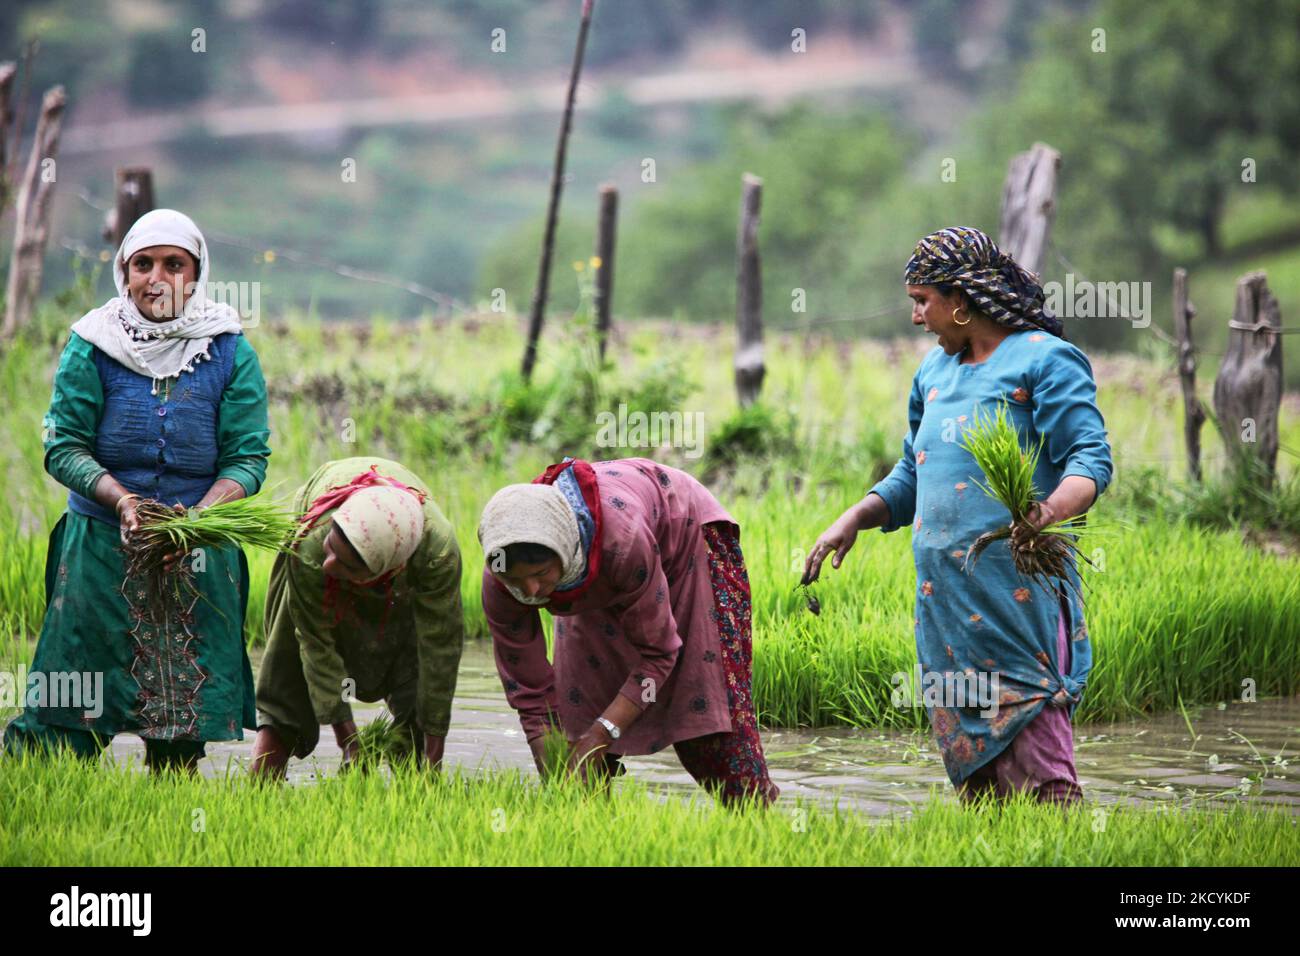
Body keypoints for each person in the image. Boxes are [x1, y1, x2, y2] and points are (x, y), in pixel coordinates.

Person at [804, 226, 1112, 807]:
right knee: (978, 781)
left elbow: (1089, 459)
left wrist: (1046, 512)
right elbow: (912, 475)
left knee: (1041, 763)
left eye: (923, 301)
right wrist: (855, 516)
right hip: (944, 606)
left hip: (1017, 595)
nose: (917, 317)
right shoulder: (934, 374)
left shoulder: (1044, 360)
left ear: (962, 302)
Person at [3, 209, 270, 772]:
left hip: (196, 551)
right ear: (124, 272)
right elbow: (63, 446)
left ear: (196, 275)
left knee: (180, 733)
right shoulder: (92, 343)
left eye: (175, 265)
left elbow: (247, 458)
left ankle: (172, 800)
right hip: (100, 547)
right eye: (142, 264)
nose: (157, 278)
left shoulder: (228, 350)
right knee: (68, 719)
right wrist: (122, 501)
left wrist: (196, 520)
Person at [478, 456, 779, 806]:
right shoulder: (502, 575)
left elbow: (660, 653)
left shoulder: (621, 543)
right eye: (515, 580)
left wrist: (605, 731)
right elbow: (529, 690)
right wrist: (556, 771)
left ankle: (754, 818)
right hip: (594, 569)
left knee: (704, 709)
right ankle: (588, 829)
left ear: (563, 552)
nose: (529, 591)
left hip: (684, 547)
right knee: (578, 711)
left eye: (541, 574)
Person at [250, 458, 464, 777]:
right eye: (331, 550)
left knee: (415, 670)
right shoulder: (312, 546)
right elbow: (315, 643)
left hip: (406, 562)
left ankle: (415, 781)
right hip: (322, 518)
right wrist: (350, 743)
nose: (329, 565)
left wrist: (434, 760)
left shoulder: (438, 554)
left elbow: (440, 651)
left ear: (389, 569)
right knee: (288, 673)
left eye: (347, 566)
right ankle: (262, 783)